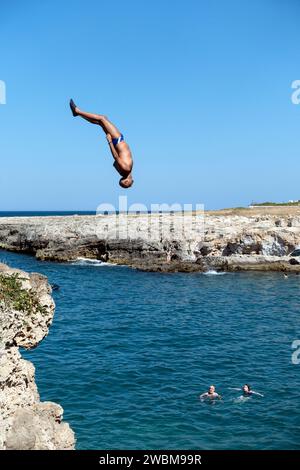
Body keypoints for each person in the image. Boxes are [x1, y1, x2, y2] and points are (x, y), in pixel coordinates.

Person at [69, 99, 134, 188]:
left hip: (117, 140)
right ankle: (78, 114)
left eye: (129, 184)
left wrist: (109, 141)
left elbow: (116, 157)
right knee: (100, 122)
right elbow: (114, 164)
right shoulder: (124, 171)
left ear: (126, 182)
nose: (132, 183)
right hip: (117, 140)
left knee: (102, 118)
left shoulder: (126, 169)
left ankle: (77, 111)